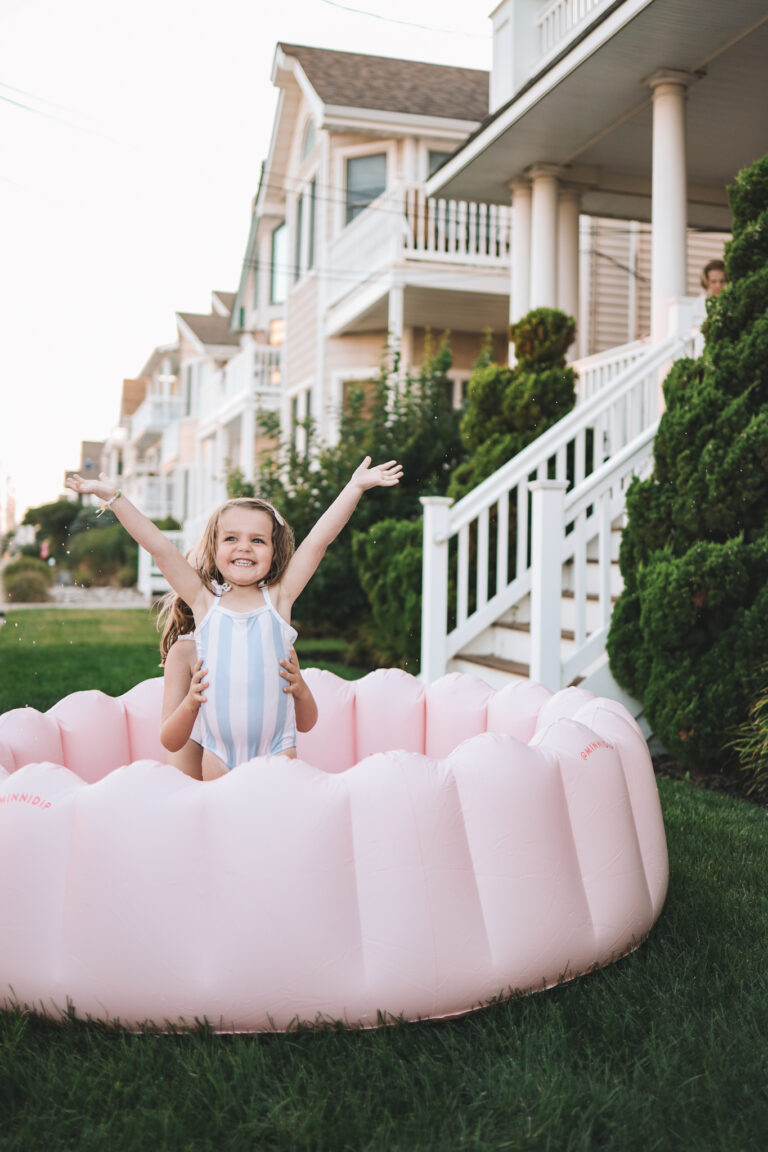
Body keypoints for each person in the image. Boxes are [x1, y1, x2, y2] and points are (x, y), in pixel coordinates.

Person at [66, 456, 402, 779]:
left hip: (278, 749)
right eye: (231, 538)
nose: (244, 547)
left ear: (275, 550)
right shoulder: (203, 602)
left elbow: (318, 541)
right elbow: (159, 547)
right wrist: (114, 497)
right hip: (218, 755)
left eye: (258, 540)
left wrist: (354, 488)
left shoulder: (280, 600)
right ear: (213, 548)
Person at [159, 620, 318, 780]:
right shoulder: (186, 651)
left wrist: (301, 690)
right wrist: (190, 703)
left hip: (254, 746)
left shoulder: (271, 644)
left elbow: (305, 725)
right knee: (189, 787)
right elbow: (170, 740)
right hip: (195, 743)